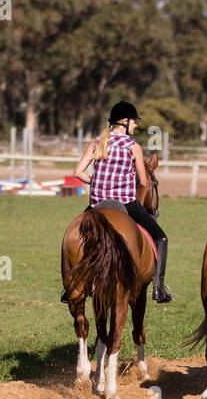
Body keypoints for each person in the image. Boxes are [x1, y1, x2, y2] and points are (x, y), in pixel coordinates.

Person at [70, 101, 171, 303]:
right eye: (134, 122)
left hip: (97, 203)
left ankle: (72, 286)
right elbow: (143, 181)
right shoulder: (133, 146)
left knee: (76, 237)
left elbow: (78, 172)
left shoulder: (97, 142)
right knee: (161, 238)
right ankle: (158, 288)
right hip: (126, 204)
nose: (135, 126)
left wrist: (98, 182)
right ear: (125, 122)